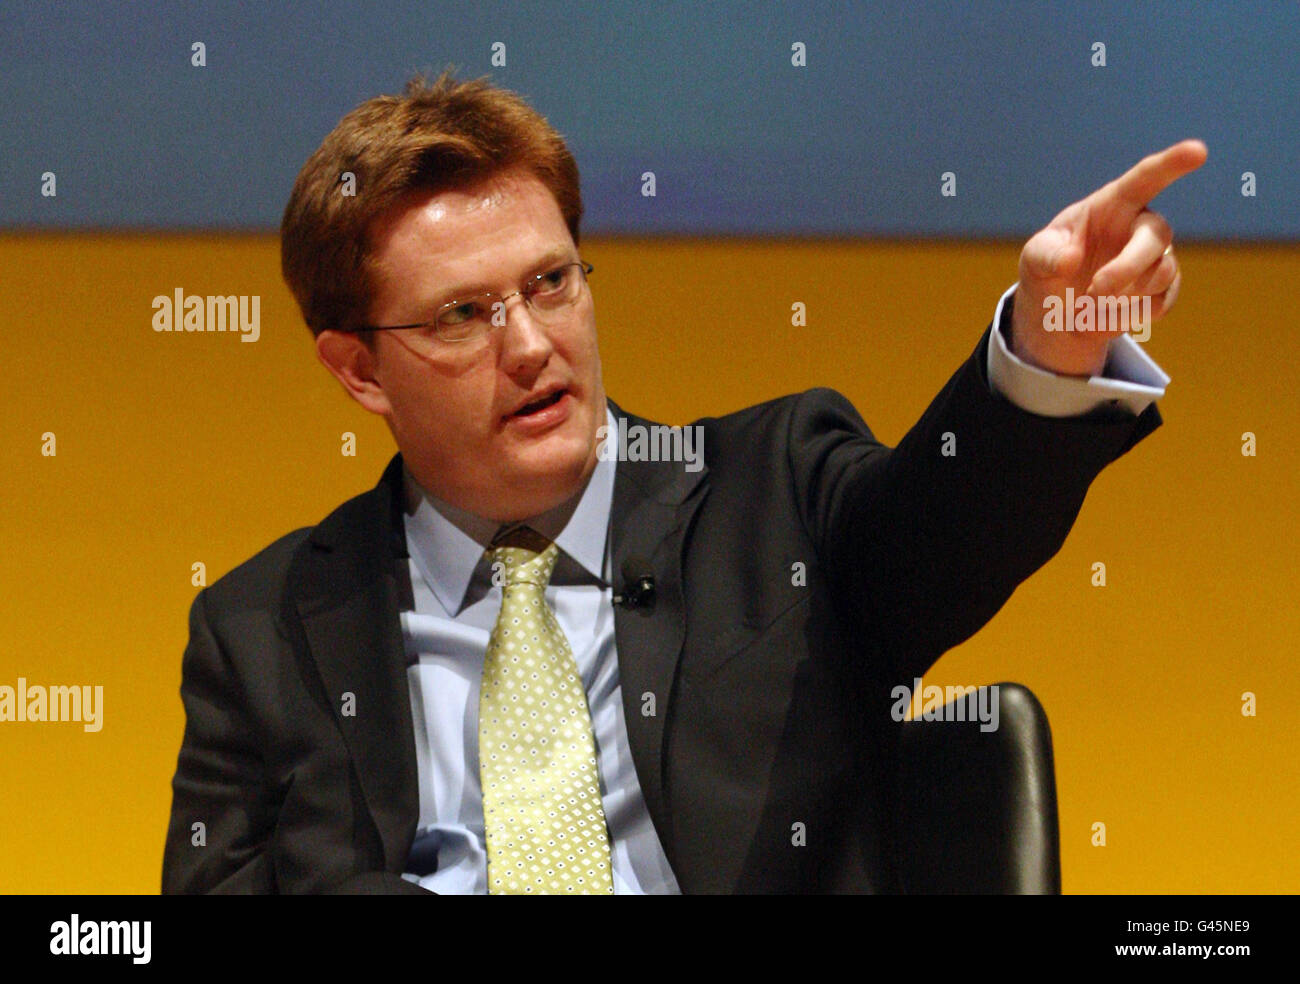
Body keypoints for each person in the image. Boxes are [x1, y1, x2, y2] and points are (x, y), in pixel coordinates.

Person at [162, 71, 1204, 894]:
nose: (530, 345)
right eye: (461, 316)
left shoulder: (772, 496)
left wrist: (1043, 355)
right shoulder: (262, 632)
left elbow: (949, 530)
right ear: (356, 369)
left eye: (549, 282)